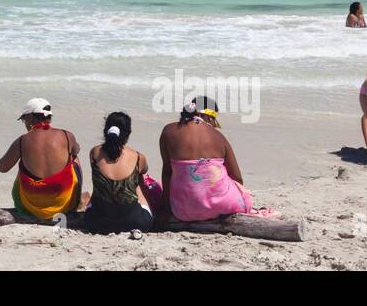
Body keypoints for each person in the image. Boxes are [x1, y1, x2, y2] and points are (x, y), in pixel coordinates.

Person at [158, 96, 252, 224]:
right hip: (222, 207)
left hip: (183, 211)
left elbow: (167, 172)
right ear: (208, 117)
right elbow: (238, 179)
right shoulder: (218, 137)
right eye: (214, 120)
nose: (213, 125)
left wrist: (166, 208)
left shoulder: (168, 131)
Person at [0, 98, 84, 222]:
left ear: (31, 118)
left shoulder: (22, 140)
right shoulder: (67, 135)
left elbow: (2, 168)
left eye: (24, 119)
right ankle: (77, 199)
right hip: (64, 205)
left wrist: (23, 152)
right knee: (73, 158)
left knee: (23, 163)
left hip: (30, 208)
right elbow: (76, 150)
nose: (24, 123)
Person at [82, 111, 153, 234]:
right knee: (138, 180)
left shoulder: (94, 153)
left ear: (106, 131)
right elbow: (145, 169)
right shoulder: (137, 157)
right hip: (135, 222)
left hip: (96, 222)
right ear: (128, 134)